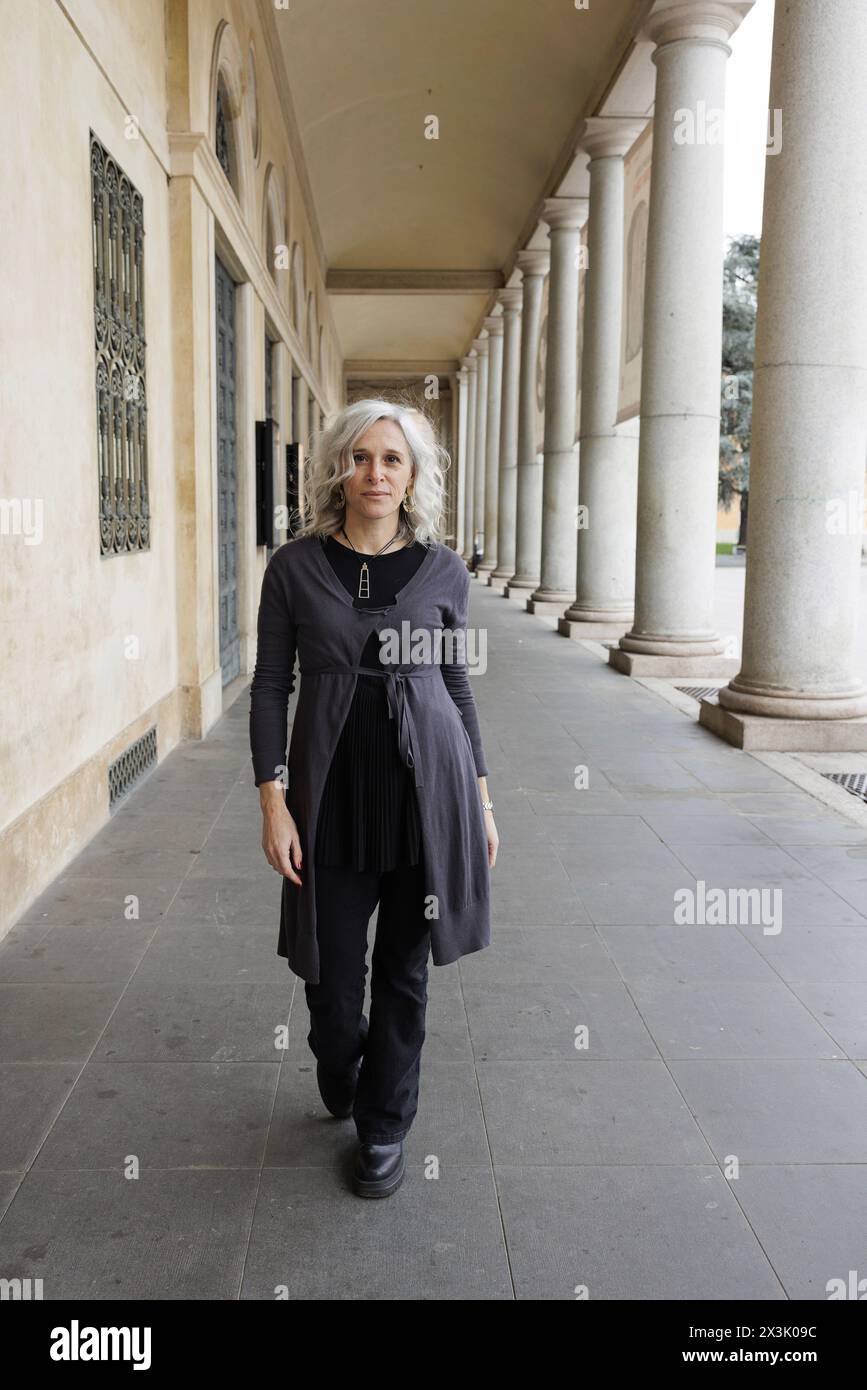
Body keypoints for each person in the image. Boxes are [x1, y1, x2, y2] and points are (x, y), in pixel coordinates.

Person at [249, 398, 498, 1198]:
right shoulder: (293, 567)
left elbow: (456, 686)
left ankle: (384, 1128)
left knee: (403, 969)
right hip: (328, 796)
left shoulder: (442, 570)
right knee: (329, 980)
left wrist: (483, 802)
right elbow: (267, 688)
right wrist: (272, 801)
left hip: (426, 797)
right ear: (337, 468)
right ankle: (339, 1058)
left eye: (391, 459)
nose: (375, 473)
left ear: (413, 475)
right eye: (360, 457)